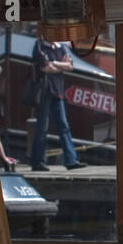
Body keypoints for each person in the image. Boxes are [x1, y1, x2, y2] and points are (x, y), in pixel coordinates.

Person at [30, 32, 86, 171]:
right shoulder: (40, 46)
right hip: (44, 91)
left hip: (58, 91)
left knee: (64, 126)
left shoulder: (61, 48)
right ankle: (38, 162)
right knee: (42, 128)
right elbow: (45, 67)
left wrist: (55, 63)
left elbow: (70, 66)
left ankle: (71, 160)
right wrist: (61, 65)